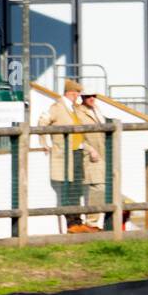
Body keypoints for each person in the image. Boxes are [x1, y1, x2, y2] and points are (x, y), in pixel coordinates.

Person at [38, 79, 97, 233]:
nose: (78, 96)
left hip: (77, 153)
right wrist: (44, 141)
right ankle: (72, 224)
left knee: (76, 189)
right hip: (64, 155)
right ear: (72, 92)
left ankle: (78, 222)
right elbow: (42, 121)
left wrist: (89, 148)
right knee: (67, 191)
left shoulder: (74, 108)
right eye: (77, 93)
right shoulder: (57, 107)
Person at [75, 91, 108, 229]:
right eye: (88, 96)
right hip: (91, 156)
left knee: (102, 187)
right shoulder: (78, 111)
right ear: (82, 97)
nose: (92, 99)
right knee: (97, 187)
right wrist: (89, 149)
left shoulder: (96, 110)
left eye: (94, 96)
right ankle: (91, 223)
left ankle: (96, 222)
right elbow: (77, 135)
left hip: (103, 154)